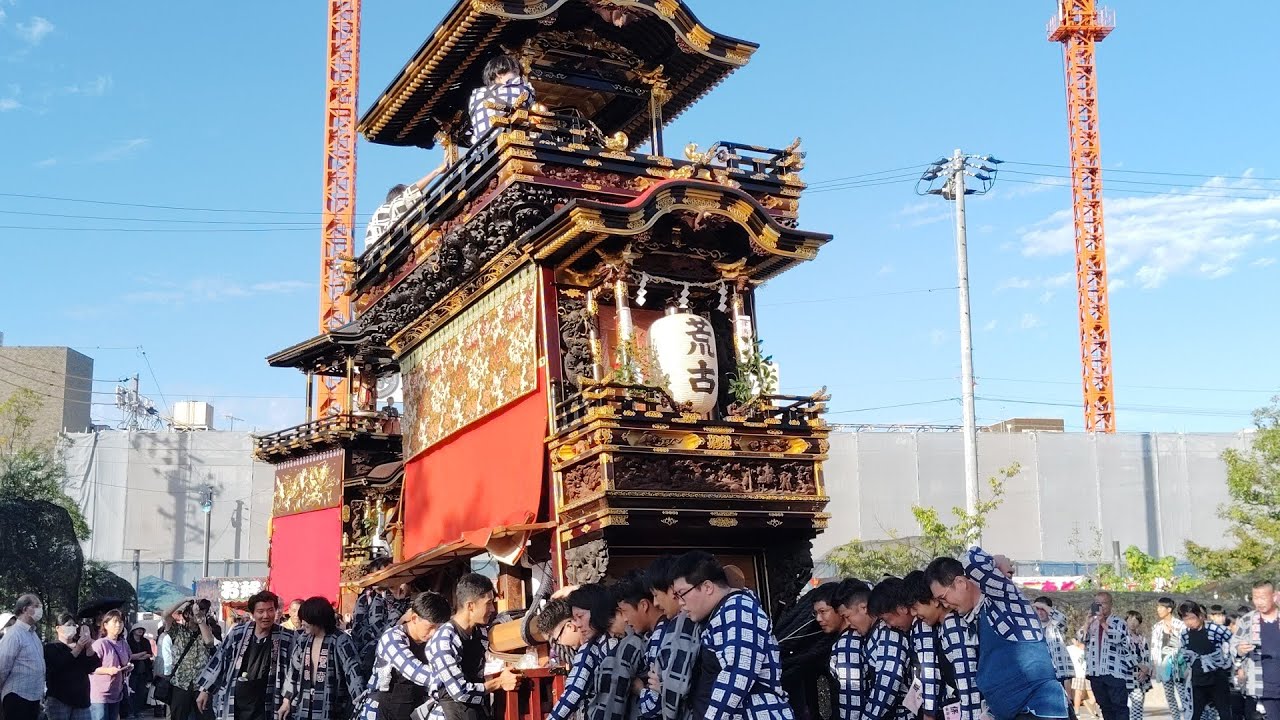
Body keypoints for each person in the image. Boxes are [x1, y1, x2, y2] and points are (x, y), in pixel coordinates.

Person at [926, 548, 1068, 720]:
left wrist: (996, 560)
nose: (945, 605)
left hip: (1037, 709)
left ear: (961, 583)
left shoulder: (1003, 602)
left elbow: (972, 561)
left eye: (943, 597)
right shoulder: (975, 618)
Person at [670, 551, 792, 720]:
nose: (681, 604)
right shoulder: (720, 614)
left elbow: (738, 673)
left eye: (682, 594)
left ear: (707, 587)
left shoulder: (738, 608)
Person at [424, 573, 518, 720]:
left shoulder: (479, 631)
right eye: (488, 603)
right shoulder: (444, 640)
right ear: (470, 606)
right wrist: (499, 682)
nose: (493, 609)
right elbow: (460, 691)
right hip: (450, 713)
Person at [196, 591, 294, 720]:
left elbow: (294, 671)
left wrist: (288, 698)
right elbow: (220, 660)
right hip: (237, 699)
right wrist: (205, 690)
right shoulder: (238, 632)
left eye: (270, 610)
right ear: (252, 614)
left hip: (268, 699)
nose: (266, 615)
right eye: (260, 611)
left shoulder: (287, 637)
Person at [360, 591, 451, 720]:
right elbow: (414, 670)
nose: (433, 633)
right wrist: (453, 680)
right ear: (414, 618)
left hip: (415, 709)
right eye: (430, 627)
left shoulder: (435, 641)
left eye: (439, 628)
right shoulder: (392, 638)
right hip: (382, 709)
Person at [907, 570, 979, 720]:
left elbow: (967, 681)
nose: (913, 614)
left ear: (934, 600)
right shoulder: (942, 627)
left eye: (915, 607)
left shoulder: (952, 625)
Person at [279, 597, 365, 720]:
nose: (302, 623)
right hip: (303, 705)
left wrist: (360, 704)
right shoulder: (303, 639)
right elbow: (293, 670)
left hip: (332, 706)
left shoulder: (340, 640)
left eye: (306, 620)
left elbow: (353, 672)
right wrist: (286, 701)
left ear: (318, 618)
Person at [641, 556, 699, 720]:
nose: (656, 603)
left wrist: (660, 689)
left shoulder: (683, 624)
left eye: (656, 595)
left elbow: (674, 691)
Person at [603, 573, 665, 720]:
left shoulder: (659, 637)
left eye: (624, 611)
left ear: (643, 605)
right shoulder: (653, 635)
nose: (625, 619)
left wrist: (640, 690)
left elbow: (655, 706)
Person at [1075, 592, 1137, 720]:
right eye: (1097, 604)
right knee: (1105, 707)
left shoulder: (1119, 622)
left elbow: (1118, 638)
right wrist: (1087, 623)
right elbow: (1080, 638)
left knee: (1119, 707)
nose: (1100, 606)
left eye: (1103, 603)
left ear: (1110, 604)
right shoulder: (1092, 622)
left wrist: (1103, 622)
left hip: (1114, 671)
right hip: (1095, 672)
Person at [863, 578, 915, 720]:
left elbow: (887, 683)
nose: (889, 625)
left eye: (887, 619)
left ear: (901, 608)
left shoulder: (892, 635)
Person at [162, 598, 219, 720]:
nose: (199, 615)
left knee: (205, 717)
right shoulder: (178, 630)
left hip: (201, 685)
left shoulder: (206, 630)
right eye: (195, 612)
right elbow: (166, 614)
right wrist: (184, 600)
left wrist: (200, 619)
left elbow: (209, 642)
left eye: (203, 612)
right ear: (187, 614)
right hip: (180, 683)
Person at [1232, 580, 1280, 720]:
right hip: (1262, 686)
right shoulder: (1247, 620)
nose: (1259, 602)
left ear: (1274, 597)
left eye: (1263, 597)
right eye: (1255, 598)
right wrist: (1240, 650)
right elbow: (1234, 646)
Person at [1178, 602, 1233, 720]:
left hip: (1217, 677)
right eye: (1185, 619)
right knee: (1195, 714)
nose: (1189, 622)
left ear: (1200, 616)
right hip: (1197, 679)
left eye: (1192, 618)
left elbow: (1234, 640)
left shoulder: (1215, 629)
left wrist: (1227, 660)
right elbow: (1185, 653)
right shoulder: (1184, 634)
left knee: (1224, 713)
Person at [45, 615, 103, 720]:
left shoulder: (79, 646)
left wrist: (88, 645)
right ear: (58, 628)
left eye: (73, 625)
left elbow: (92, 666)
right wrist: (78, 648)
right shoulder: (51, 647)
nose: (71, 628)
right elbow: (60, 665)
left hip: (81, 699)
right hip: (59, 699)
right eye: (68, 625)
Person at [467, 55, 536, 141]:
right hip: (506, 137)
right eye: (514, 72)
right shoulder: (516, 89)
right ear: (499, 74)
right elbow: (527, 94)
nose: (518, 77)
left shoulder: (477, 95)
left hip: (483, 144)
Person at [829, 580, 871, 720]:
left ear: (863, 607)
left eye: (847, 616)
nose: (848, 623)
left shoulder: (849, 641)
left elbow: (852, 694)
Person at [0, 594, 46, 720]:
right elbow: (2, 666)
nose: (40, 610)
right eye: (36, 606)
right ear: (25, 609)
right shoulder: (14, 635)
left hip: (33, 697)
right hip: (17, 697)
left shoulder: (33, 635)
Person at [1031, 598, 1075, 708]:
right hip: (1041, 673)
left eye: (1043, 609)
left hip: (1059, 672)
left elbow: (1062, 619)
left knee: (1064, 706)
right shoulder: (1033, 627)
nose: (1040, 612)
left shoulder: (1055, 625)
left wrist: (1043, 606)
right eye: (1037, 609)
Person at [89, 610, 133, 720]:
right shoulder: (100, 644)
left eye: (121, 622)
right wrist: (107, 671)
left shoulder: (124, 643)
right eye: (115, 622)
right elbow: (90, 667)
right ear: (105, 625)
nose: (118, 625)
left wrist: (128, 668)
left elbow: (127, 660)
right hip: (99, 695)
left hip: (116, 693)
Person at [1151, 598, 1188, 720]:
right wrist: (1155, 665)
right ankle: (1176, 718)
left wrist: (1175, 634)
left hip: (1179, 666)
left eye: (1161, 607)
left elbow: (1185, 644)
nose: (1158, 610)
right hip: (1164, 666)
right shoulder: (1157, 627)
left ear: (1169, 609)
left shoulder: (1180, 625)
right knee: (1169, 696)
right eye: (1158, 607)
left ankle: (1188, 716)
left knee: (1183, 694)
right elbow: (1154, 647)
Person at [1123, 612, 1152, 720]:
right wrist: (1139, 665)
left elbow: (1148, 656)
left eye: (1136, 620)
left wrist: (1145, 670)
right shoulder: (1123, 638)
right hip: (1127, 675)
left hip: (1141, 677)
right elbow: (1125, 655)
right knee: (1135, 702)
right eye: (1130, 619)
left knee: (1139, 705)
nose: (1133, 623)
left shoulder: (1142, 639)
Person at [124, 625, 154, 718]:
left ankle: (138, 711)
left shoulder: (145, 641)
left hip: (144, 670)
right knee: (132, 692)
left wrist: (137, 656)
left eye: (142, 629)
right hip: (132, 671)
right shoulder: (128, 642)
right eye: (138, 629)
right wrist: (142, 654)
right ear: (133, 631)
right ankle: (131, 712)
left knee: (141, 693)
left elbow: (149, 654)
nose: (140, 631)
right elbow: (130, 656)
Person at [1068, 639, 1098, 718]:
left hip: (1088, 673)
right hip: (1078, 674)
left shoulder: (1088, 648)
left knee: (1092, 693)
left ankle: (1093, 710)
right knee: (1078, 693)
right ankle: (1077, 712)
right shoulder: (1071, 649)